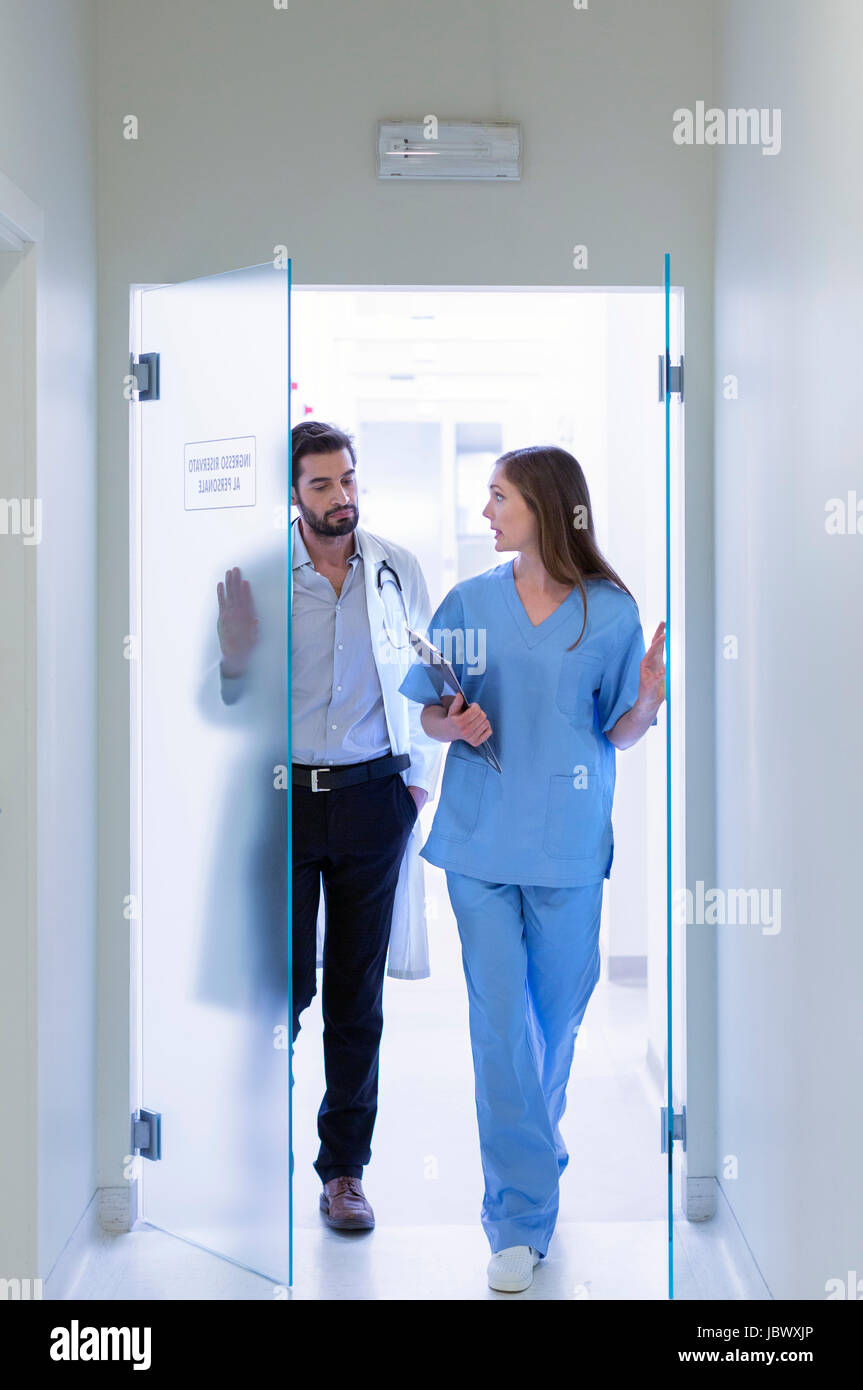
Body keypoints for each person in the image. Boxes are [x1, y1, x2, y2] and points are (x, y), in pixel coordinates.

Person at [398, 444, 665, 1292]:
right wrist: (457, 725)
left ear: (545, 507)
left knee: (554, 1025)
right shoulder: (468, 603)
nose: (484, 513)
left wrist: (650, 696)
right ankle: (516, 1216)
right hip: (478, 846)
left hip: (568, 847)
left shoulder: (610, 613)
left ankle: (534, 1146)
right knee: (499, 1029)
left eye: (498, 497)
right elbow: (429, 717)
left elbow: (617, 731)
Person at [216, 420, 440, 1232]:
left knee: (356, 994)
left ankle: (343, 1172)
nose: (341, 497)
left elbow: (426, 682)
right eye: (321, 485)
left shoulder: (396, 569)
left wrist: (414, 790)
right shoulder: (263, 575)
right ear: (293, 494)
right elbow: (226, 703)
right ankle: (244, 1147)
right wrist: (236, 658)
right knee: (281, 988)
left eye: (347, 480)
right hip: (283, 799)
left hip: (372, 799)